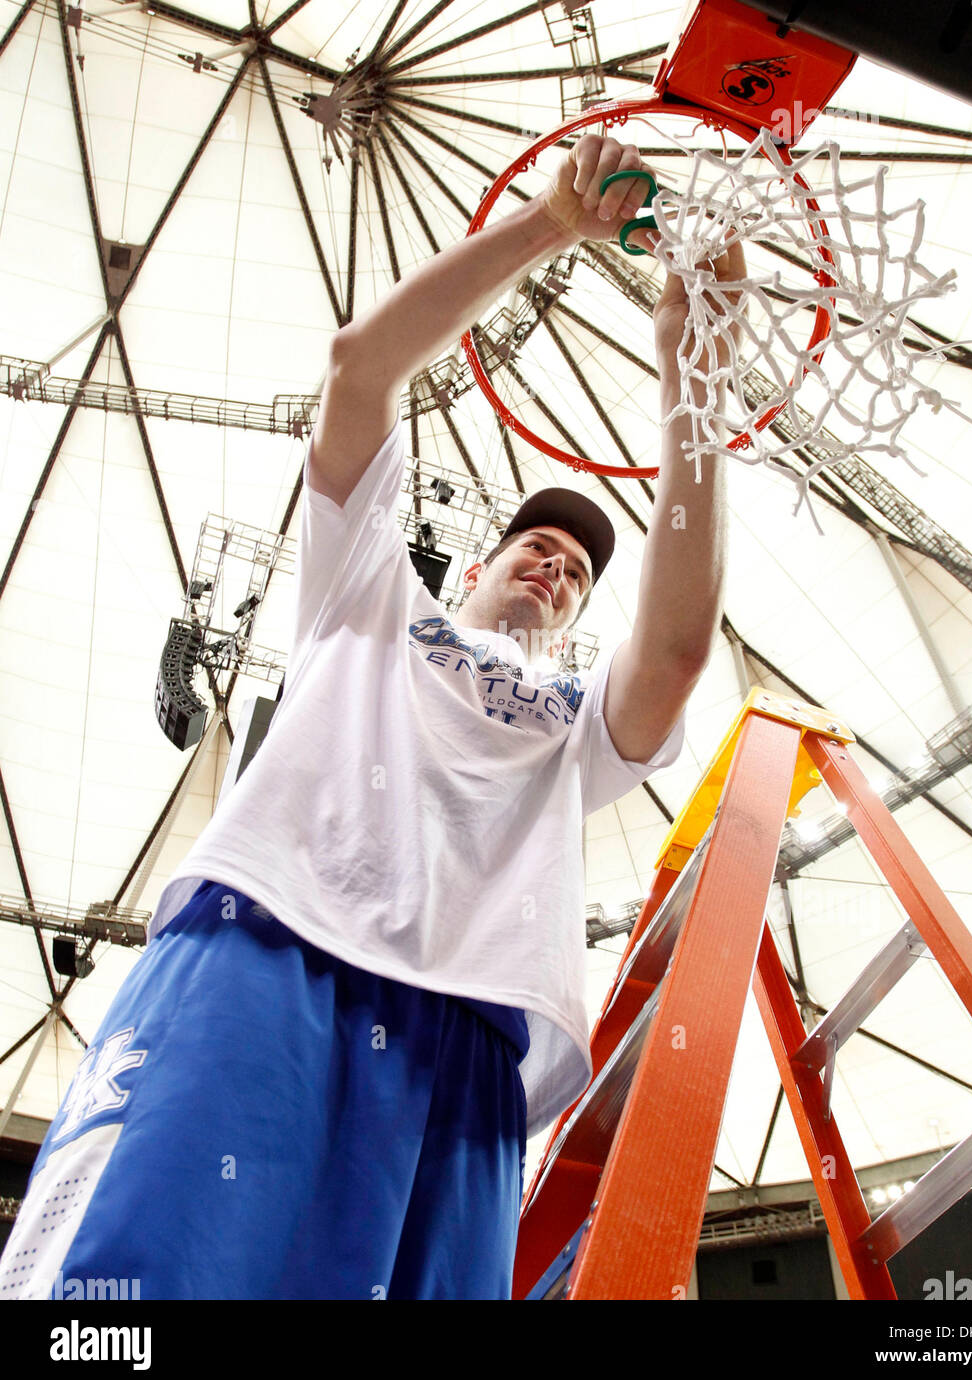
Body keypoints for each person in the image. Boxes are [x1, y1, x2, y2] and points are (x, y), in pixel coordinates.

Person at [0, 136, 739, 1301]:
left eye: (577, 573)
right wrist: (548, 224)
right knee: (141, 1284)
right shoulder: (371, 594)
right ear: (482, 562)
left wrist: (690, 374)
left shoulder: (572, 721)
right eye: (537, 548)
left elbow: (683, 646)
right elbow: (359, 368)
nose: (555, 567)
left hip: (473, 1023)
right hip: (273, 937)